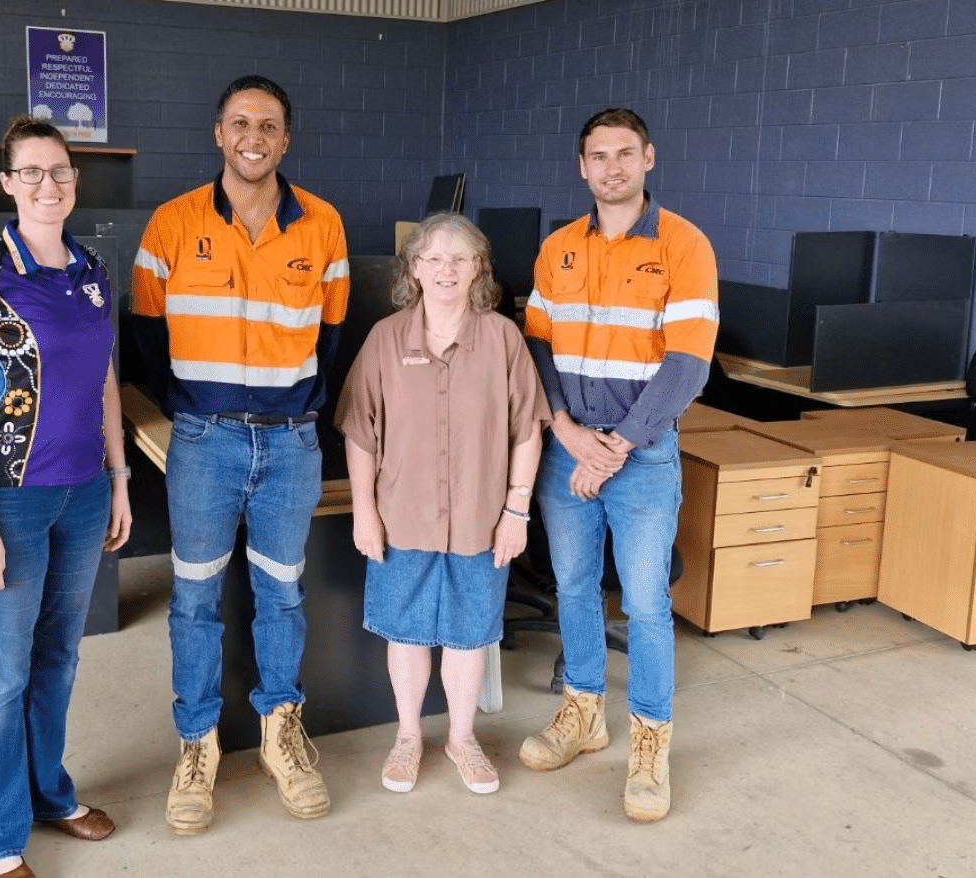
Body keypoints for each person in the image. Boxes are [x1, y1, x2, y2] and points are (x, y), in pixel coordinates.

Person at [130, 75, 350, 834]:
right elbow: (147, 338)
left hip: (290, 443)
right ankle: (196, 746)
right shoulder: (170, 223)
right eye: (239, 122)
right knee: (192, 598)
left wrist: (293, 411)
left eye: (268, 125)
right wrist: (194, 409)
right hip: (204, 441)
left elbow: (332, 340)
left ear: (285, 140)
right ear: (218, 134)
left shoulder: (322, 226)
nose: (253, 136)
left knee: (281, 594)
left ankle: (280, 735)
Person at [0, 115, 133, 878]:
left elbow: (107, 383)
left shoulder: (90, 269)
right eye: (31, 173)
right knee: (0, 676)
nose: (47, 185)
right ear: (7, 182)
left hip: (82, 496)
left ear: (74, 181)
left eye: (59, 172)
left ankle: (48, 794)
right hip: (8, 502)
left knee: (57, 659)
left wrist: (118, 479)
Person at [519, 107, 718, 823]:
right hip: (569, 448)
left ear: (648, 158)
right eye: (597, 156)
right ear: (581, 166)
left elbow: (687, 365)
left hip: (638, 455)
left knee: (643, 603)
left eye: (624, 154)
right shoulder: (557, 248)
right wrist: (564, 429)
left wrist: (615, 450)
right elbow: (535, 346)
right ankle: (582, 713)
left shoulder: (684, 244)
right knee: (572, 585)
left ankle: (649, 745)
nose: (611, 167)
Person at [335, 213, 550, 796]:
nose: (447, 270)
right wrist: (364, 511)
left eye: (461, 258)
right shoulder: (385, 338)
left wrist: (516, 511)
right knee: (405, 633)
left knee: (468, 634)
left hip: (482, 523)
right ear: (414, 269)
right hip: (402, 516)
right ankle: (408, 737)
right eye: (433, 258)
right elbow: (360, 432)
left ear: (479, 267)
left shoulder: (503, 338)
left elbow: (527, 431)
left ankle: (461, 738)